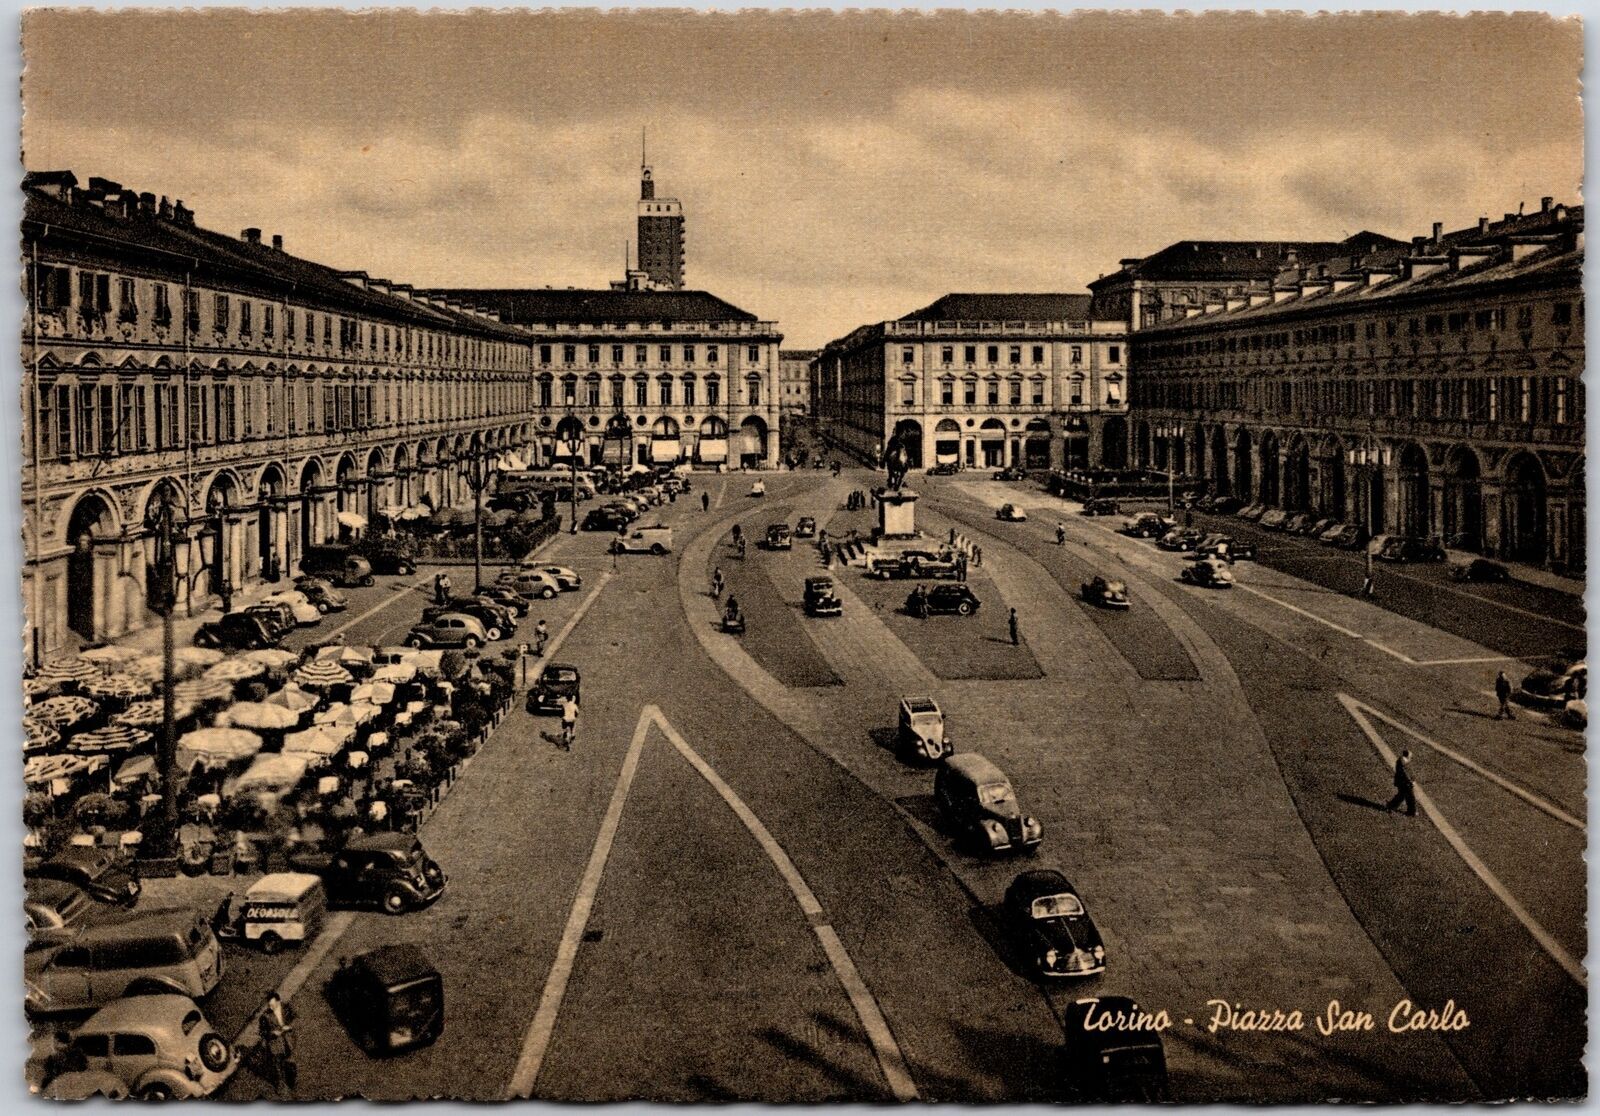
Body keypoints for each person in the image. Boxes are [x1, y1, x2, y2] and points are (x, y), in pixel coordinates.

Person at [258, 992, 297, 1093]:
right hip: (276, 1044)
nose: (271, 1007)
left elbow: (296, 1019)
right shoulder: (265, 1017)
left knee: (291, 1061)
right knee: (279, 1066)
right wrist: (273, 1033)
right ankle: (281, 1085)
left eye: (273, 1005)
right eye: (269, 1005)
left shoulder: (286, 1008)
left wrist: (290, 1026)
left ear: (279, 1002)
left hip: (288, 1040)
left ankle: (292, 1080)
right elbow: (263, 1033)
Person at [1386, 749, 1416, 816]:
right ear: (1407, 756)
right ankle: (1411, 812)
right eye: (1410, 755)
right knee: (1410, 797)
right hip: (1405, 783)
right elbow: (1405, 774)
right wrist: (1411, 781)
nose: (1411, 757)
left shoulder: (1402, 762)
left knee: (1401, 796)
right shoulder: (1403, 763)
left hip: (1403, 783)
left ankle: (1391, 806)